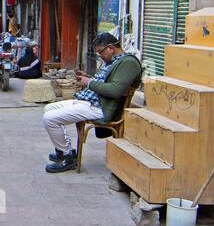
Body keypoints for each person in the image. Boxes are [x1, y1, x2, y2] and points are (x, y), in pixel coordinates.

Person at [42, 33, 142, 173]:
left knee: (50, 119)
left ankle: (67, 157)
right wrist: (87, 78)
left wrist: (89, 82)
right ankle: (66, 151)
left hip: (99, 107)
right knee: (49, 108)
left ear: (111, 48)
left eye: (100, 52)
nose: (99, 55)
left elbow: (115, 91)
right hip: (88, 102)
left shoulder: (128, 63)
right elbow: (103, 83)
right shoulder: (114, 61)